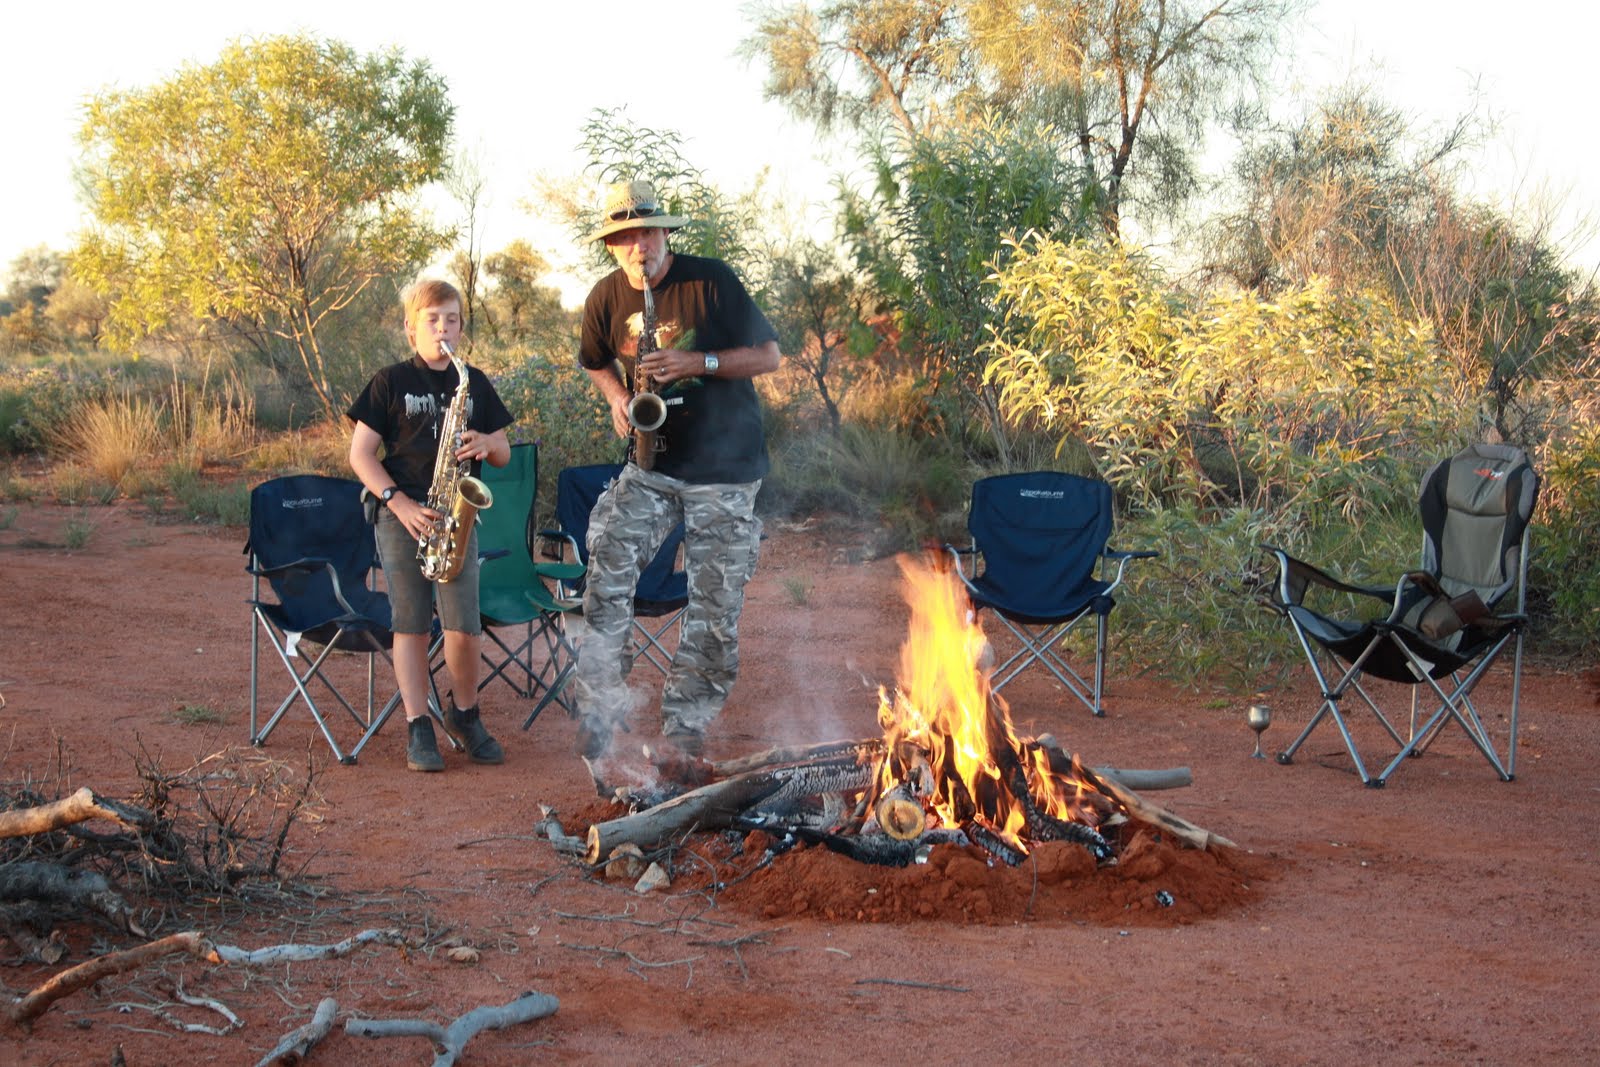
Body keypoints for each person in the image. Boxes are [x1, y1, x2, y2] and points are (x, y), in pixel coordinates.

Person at [573, 178, 781, 790]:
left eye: (648, 232)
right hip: (651, 466)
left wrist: (697, 363)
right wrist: (616, 396)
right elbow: (593, 359)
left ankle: (685, 728)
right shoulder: (605, 297)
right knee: (606, 563)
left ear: (667, 233)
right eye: (626, 237)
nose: (639, 246)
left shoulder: (710, 279)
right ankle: (602, 713)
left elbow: (768, 355)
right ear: (613, 246)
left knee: (713, 606)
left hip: (726, 472)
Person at [348, 278, 513, 772]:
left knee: (464, 624)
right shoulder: (389, 382)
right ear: (410, 327)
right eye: (432, 319)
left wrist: (486, 442)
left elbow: (502, 453)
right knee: (412, 623)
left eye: (452, 319)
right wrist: (398, 504)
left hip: (454, 516)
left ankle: (465, 714)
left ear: (462, 326)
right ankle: (419, 725)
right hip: (404, 515)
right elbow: (360, 455)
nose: (442, 328)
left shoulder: (474, 382)